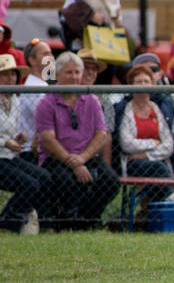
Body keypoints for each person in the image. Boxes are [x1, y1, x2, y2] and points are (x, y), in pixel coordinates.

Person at [35, 52, 119, 230]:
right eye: (69, 72)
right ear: (57, 75)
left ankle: (87, 219)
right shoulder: (46, 102)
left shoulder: (91, 99)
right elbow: (48, 140)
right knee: (67, 181)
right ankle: (65, 221)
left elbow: (101, 134)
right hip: (57, 158)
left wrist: (82, 159)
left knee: (111, 181)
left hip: (86, 156)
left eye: (76, 72)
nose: (74, 77)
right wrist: (73, 163)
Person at [117, 63, 174, 210]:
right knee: (160, 169)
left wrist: (144, 154)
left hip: (155, 162)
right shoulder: (127, 109)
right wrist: (154, 143)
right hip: (134, 165)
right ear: (131, 85)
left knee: (159, 169)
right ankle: (171, 208)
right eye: (139, 82)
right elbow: (126, 143)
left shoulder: (157, 109)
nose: (143, 85)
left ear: (152, 84)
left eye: (146, 81)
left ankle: (155, 214)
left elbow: (169, 145)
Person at [0, 54, 47, 233]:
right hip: (1, 156)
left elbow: (13, 131)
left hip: (10, 156)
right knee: (29, 184)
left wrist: (20, 137)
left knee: (43, 177)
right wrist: (5, 143)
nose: (10, 79)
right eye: (4, 75)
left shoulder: (15, 100)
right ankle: (7, 224)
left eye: (13, 75)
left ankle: (33, 221)